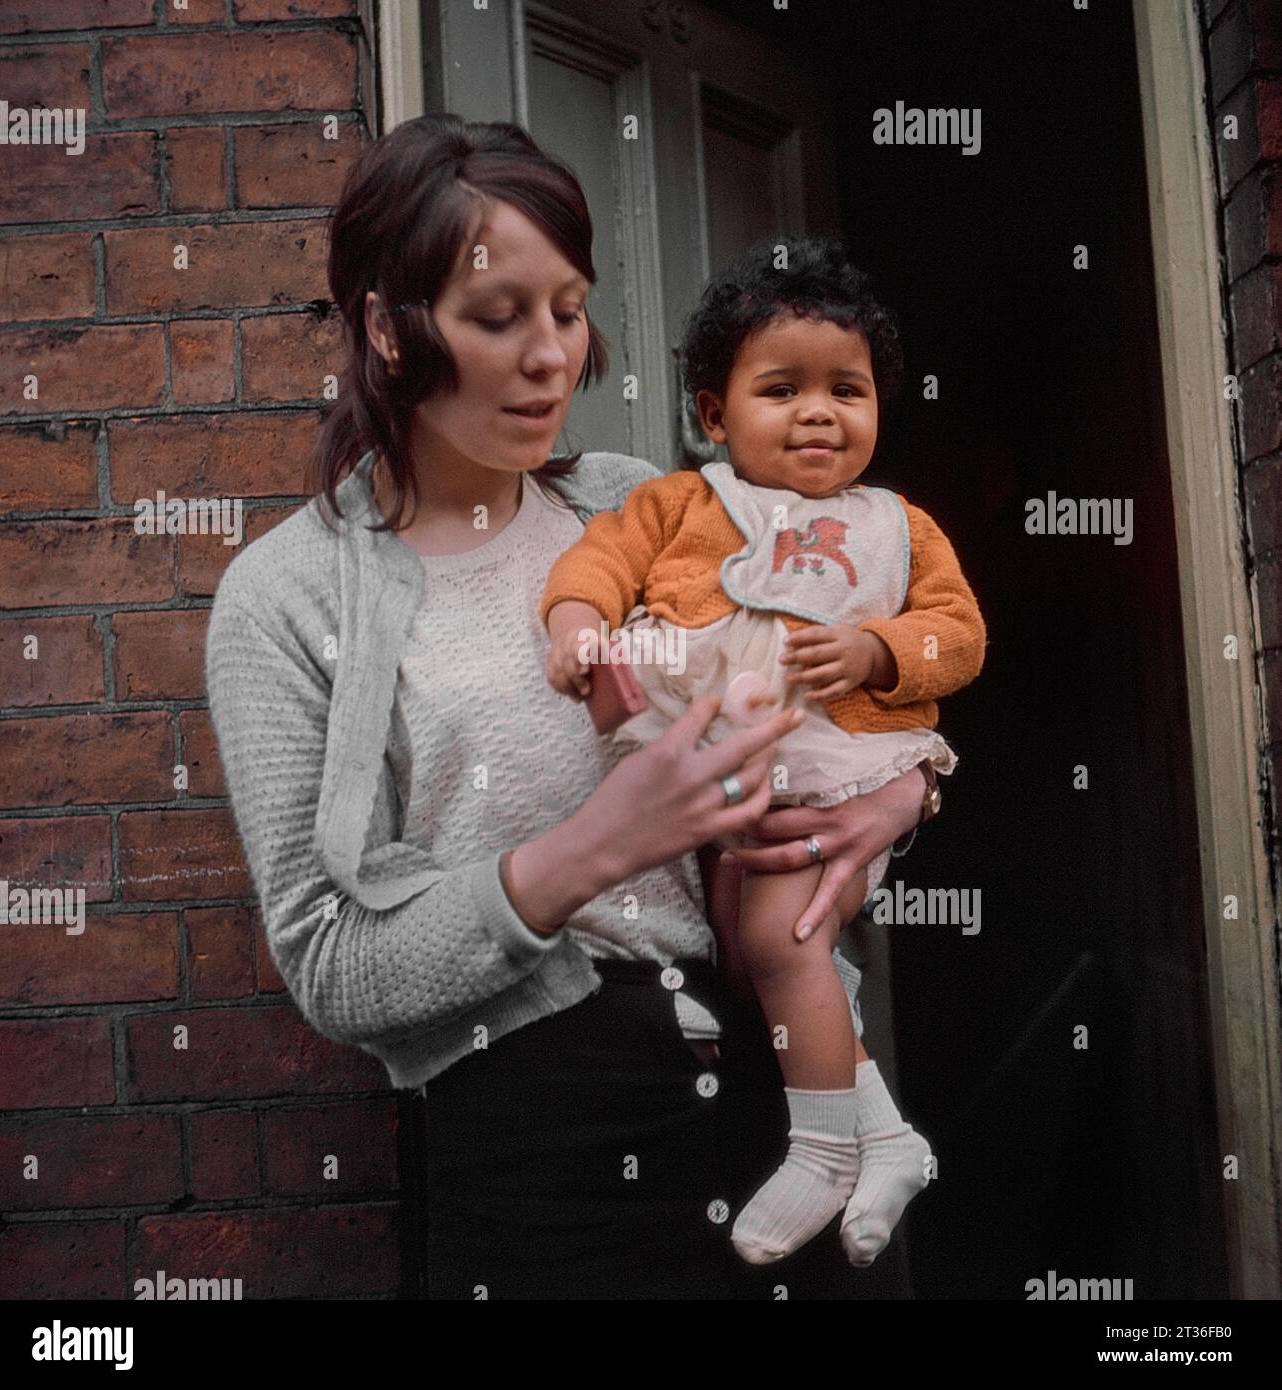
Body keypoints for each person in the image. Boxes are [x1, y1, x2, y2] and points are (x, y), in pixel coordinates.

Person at [204, 113, 932, 1300]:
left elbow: (812, 701)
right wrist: (600, 846)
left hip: (789, 1095)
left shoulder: (636, 503)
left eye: (568, 309)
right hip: (543, 1158)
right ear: (389, 330)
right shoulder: (284, 598)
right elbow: (332, 964)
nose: (551, 356)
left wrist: (901, 794)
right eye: (498, 317)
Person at [542, 236, 987, 1266]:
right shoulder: (676, 503)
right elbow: (594, 564)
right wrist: (574, 626)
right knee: (762, 956)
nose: (820, 413)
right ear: (713, 414)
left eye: (848, 390)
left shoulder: (899, 528)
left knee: (782, 941)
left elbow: (958, 636)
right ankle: (885, 1136)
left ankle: (825, 1146)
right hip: (707, 760)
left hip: (834, 765)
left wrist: (880, 647)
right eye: (782, 390)